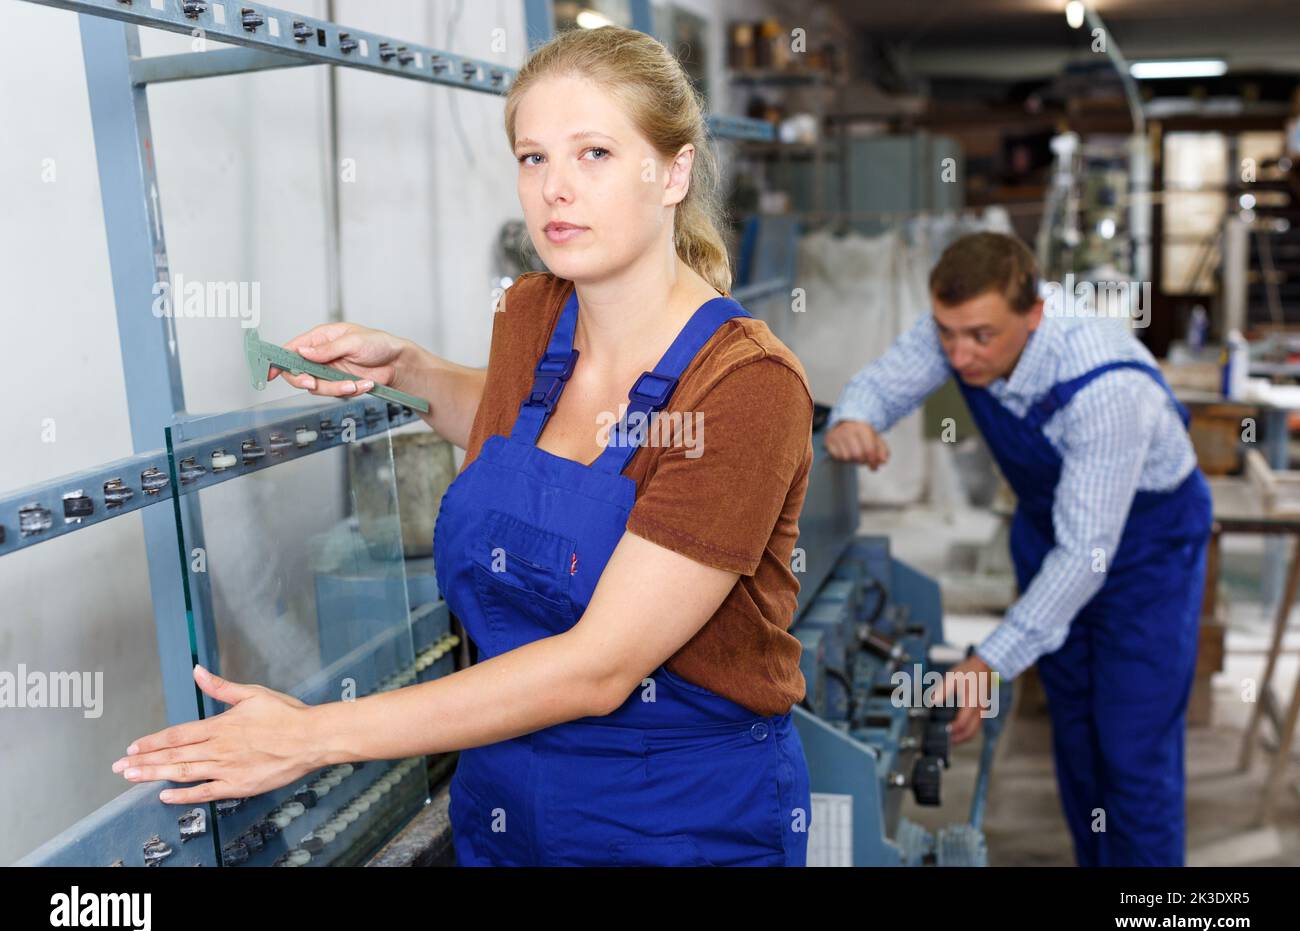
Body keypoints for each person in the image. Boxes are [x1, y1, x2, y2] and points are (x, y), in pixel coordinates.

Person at [110, 26, 814, 867]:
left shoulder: (744, 388)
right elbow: (533, 430)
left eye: (593, 153)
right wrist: (408, 370)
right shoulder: (533, 314)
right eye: (532, 157)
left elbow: (600, 668)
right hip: (507, 799)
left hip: (677, 816)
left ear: (673, 170)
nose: (556, 190)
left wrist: (310, 736)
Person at [825, 231, 1211, 866]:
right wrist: (854, 417)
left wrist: (989, 663)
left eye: (980, 336)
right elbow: (885, 381)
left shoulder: (1105, 387)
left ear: (1033, 315)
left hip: (1146, 552)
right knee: (1079, 732)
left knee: (1133, 746)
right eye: (948, 334)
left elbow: (1088, 552)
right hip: (1050, 529)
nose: (960, 353)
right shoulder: (965, 325)